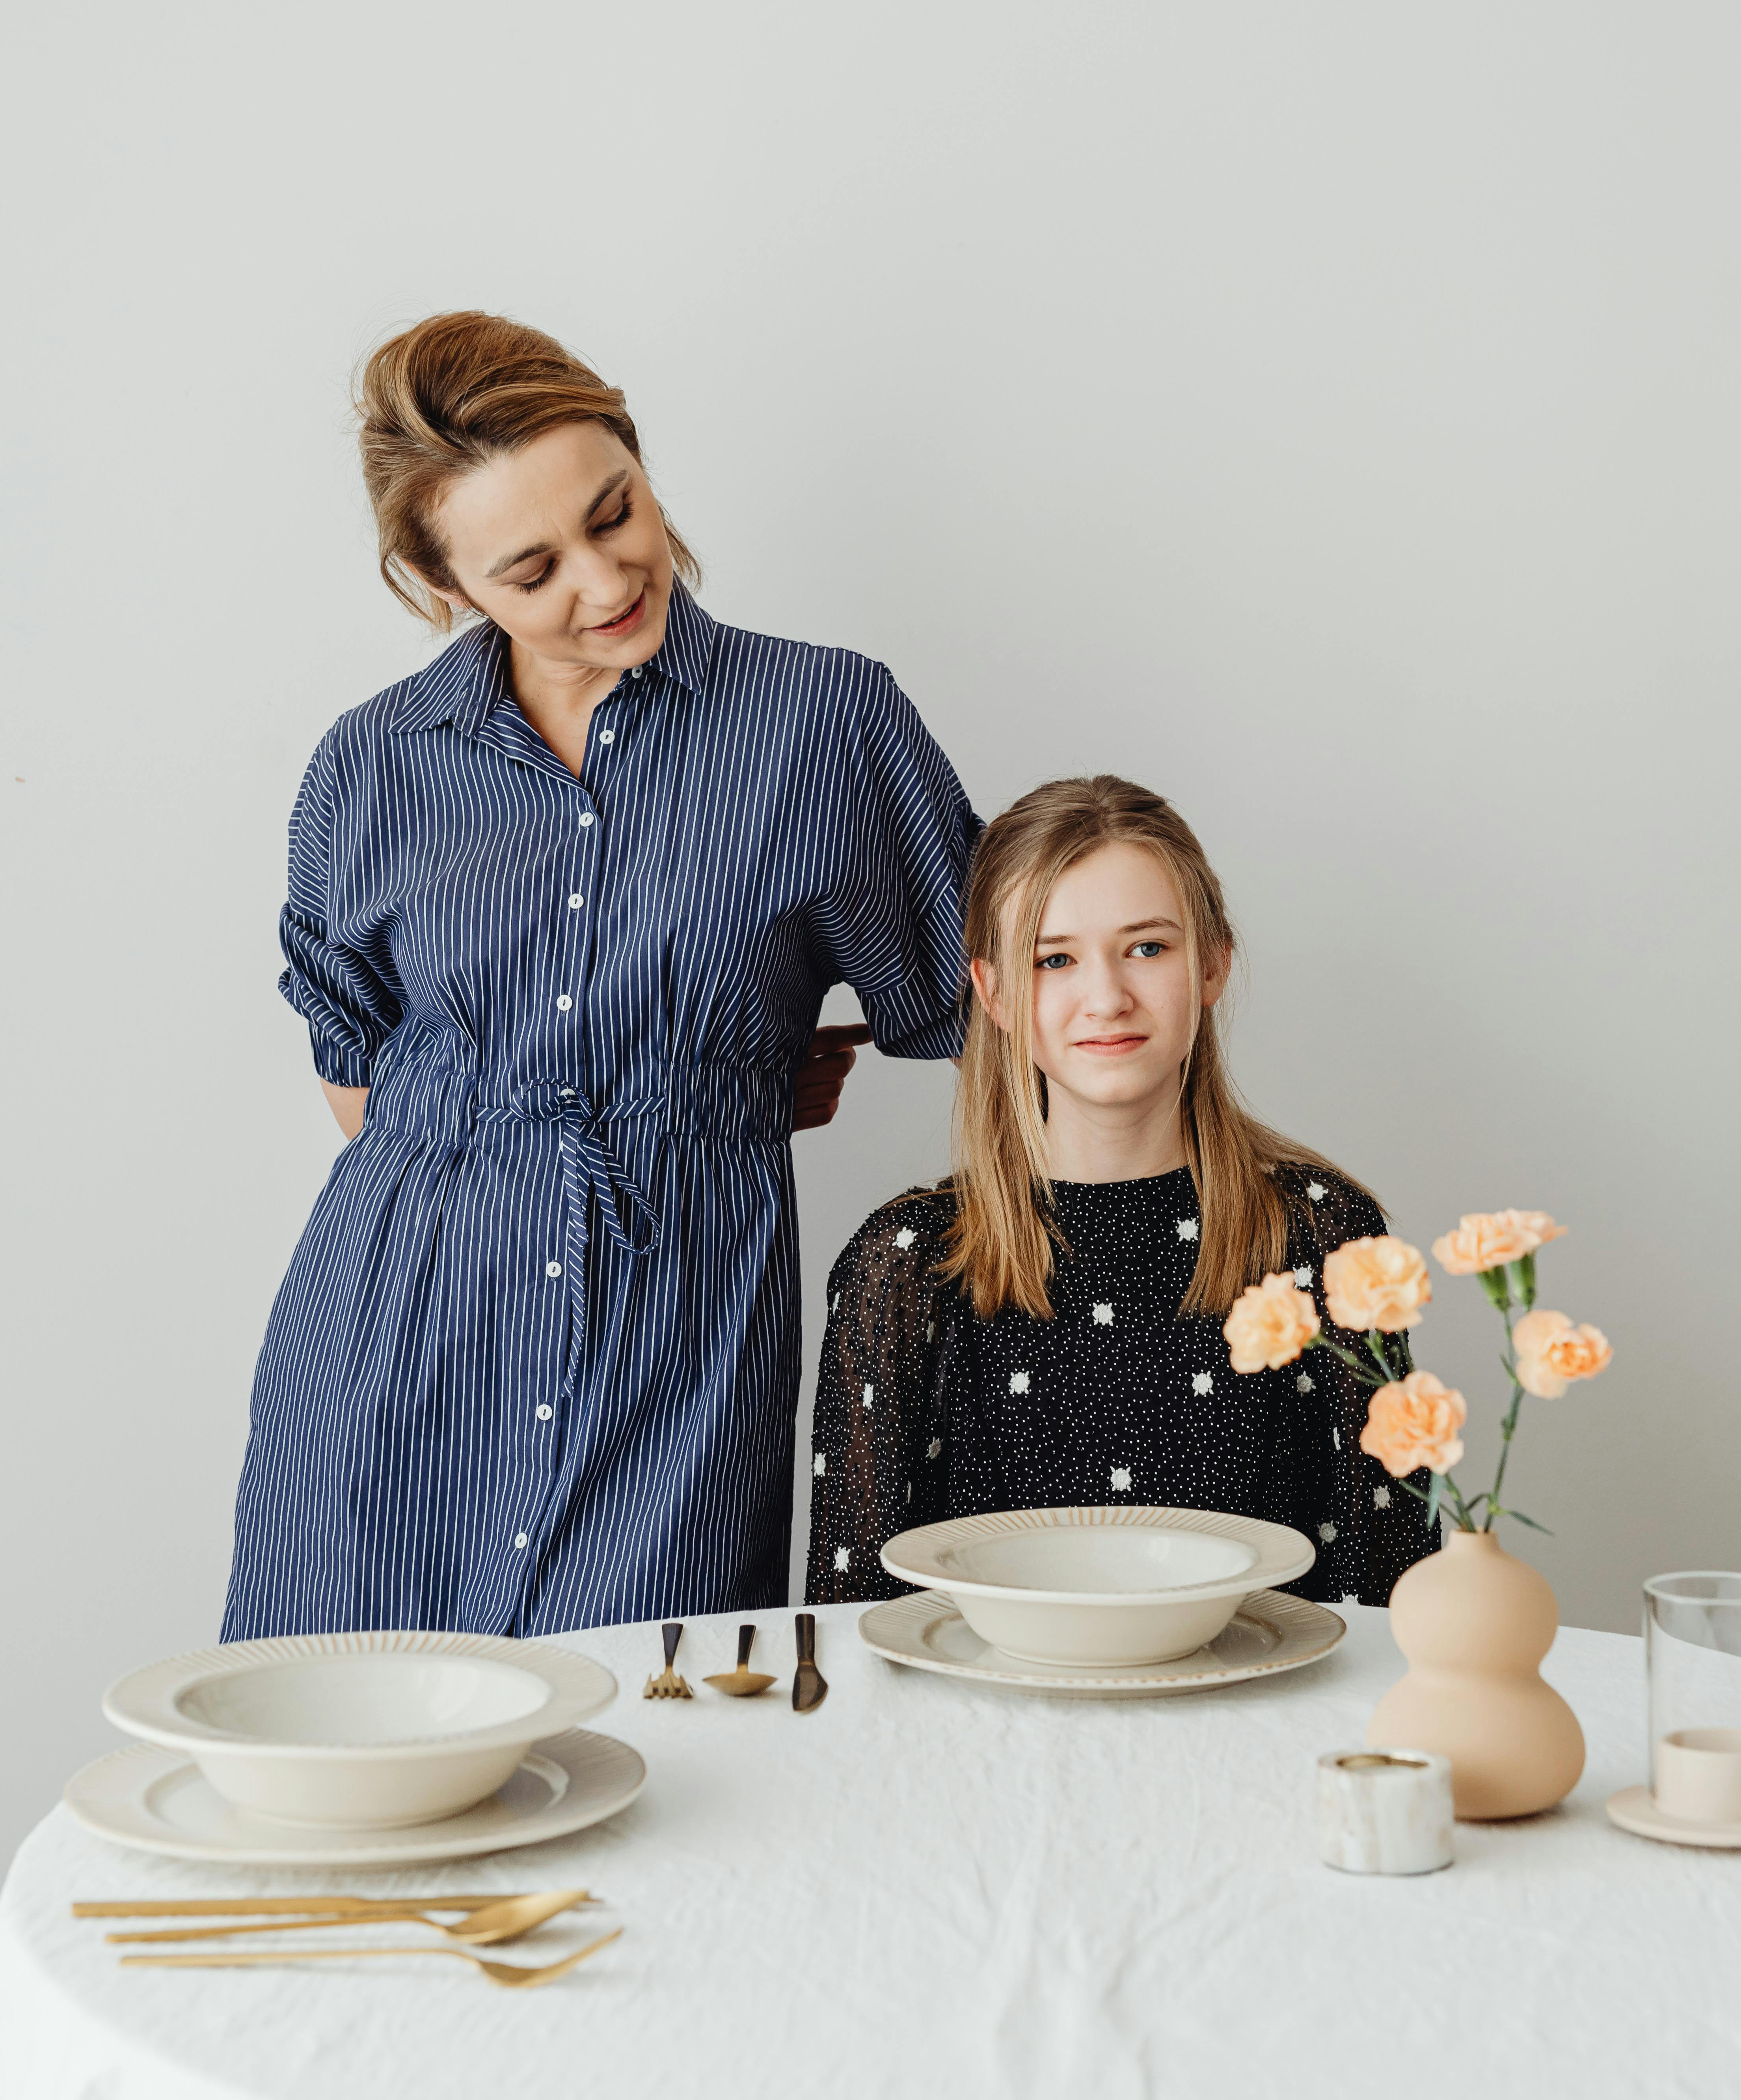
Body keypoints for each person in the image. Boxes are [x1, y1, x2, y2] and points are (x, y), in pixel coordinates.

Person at [224, 311, 978, 1640]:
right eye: (530, 568)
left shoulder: (824, 724)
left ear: (633, 452)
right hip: (395, 1342)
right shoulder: (370, 765)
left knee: (648, 1750)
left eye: (613, 509)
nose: (604, 575)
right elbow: (360, 1074)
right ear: (443, 583)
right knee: (352, 1764)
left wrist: (715, 1070)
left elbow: (981, 996)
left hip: (679, 1341)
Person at [806, 774, 1434, 1606]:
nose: (1106, 997)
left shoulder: (1329, 1237)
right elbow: (852, 1630)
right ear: (993, 994)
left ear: (1212, 962)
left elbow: (1397, 1607)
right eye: (1054, 959)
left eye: (1147, 947)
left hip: (1267, 1725)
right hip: (986, 1733)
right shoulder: (905, 1267)